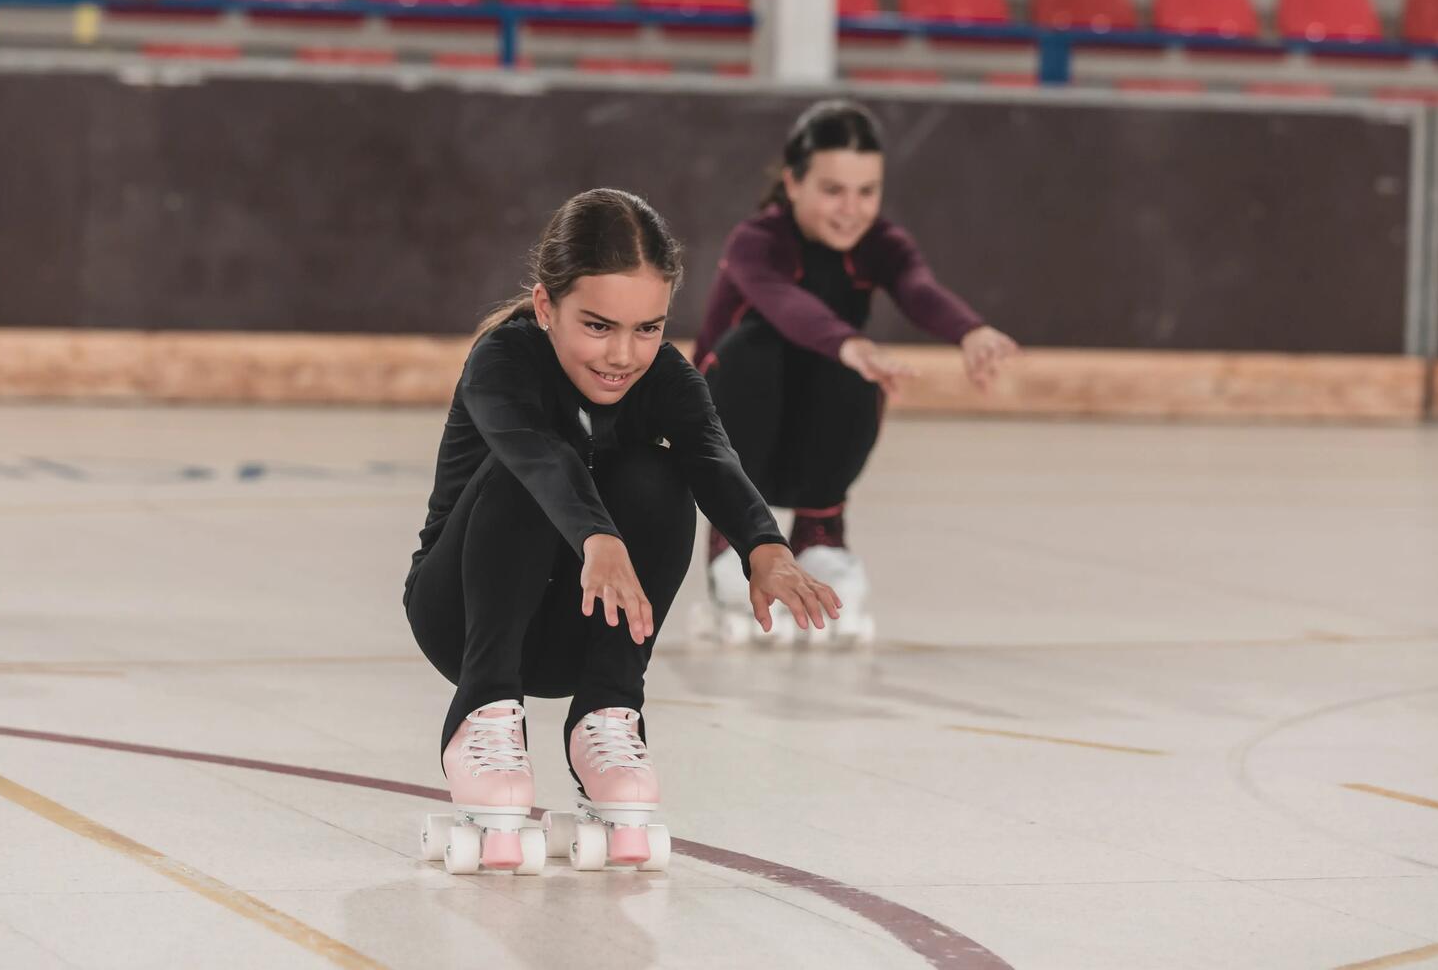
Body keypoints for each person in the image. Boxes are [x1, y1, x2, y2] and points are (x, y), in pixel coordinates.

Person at [404, 187, 840, 874]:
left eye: (648, 328)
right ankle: (483, 716)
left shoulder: (666, 378)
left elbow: (713, 458)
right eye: (598, 325)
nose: (623, 354)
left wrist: (766, 545)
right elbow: (543, 459)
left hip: (578, 628)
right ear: (547, 306)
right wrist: (598, 538)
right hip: (461, 616)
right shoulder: (503, 361)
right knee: (524, 470)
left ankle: (606, 714)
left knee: (658, 473)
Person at [693, 99, 1018, 641]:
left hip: (812, 428)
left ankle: (821, 529)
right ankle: (739, 533)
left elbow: (918, 289)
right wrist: (847, 343)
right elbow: (784, 303)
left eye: (866, 192)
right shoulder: (757, 242)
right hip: (731, 432)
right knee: (759, 345)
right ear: (793, 183)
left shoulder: (882, 245)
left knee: (857, 370)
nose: (851, 209)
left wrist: (970, 330)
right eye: (833, 190)